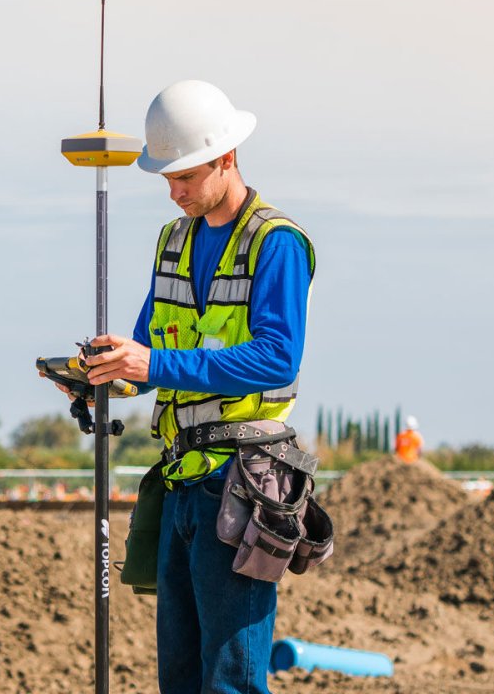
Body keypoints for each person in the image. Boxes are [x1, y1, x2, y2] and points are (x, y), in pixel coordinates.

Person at [83, 80, 314, 694]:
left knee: (230, 681)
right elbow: (146, 349)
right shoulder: (173, 241)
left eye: (185, 175)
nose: (175, 190)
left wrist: (149, 367)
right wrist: (100, 377)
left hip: (241, 484)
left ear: (226, 158)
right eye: (167, 179)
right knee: (180, 679)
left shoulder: (276, 242)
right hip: (181, 481)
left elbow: (276, 360)